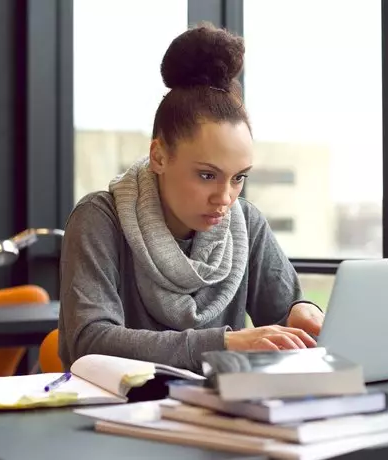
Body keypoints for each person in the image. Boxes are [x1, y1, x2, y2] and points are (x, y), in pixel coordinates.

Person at [58, 23, 325, 371]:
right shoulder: (99, 218)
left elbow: (284, 317)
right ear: (159, 156)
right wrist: (225, 342)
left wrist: (304, 313)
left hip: (217, 410)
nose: (225, 197)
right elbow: (89, 342)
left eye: (238, 178)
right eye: (207, 175)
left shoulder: (246, 223)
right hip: (116, 411)